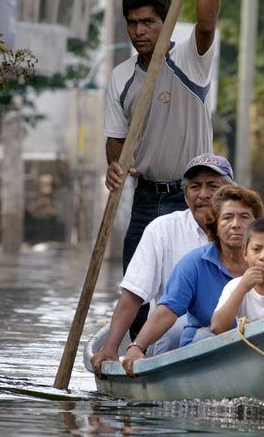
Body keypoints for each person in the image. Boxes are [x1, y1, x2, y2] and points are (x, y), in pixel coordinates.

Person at [103, 0, 220, 337]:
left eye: (149, 22)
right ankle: (136, 354)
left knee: (196, 292)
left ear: (166, 22)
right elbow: (116, 144)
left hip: (198, 197)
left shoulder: (191, 60)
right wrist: (114, 168)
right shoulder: (120, 77)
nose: (139, 31)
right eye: (132, 23)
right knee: (135, 295)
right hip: (148, 197)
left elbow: (205, 25)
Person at [121, 186, 264, 377]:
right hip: (214, 350)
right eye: (227, 217)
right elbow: (167, 312)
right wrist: (136, 347)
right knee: (200, 335)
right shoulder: (194, 263)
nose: (235, 224)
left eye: (244, 217)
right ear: (216, 225)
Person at [89, 153, 234, 376]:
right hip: (171, 331)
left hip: (232, 332)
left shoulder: (246, 232)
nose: (203, 195)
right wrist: (110, 348)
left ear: (230, 193)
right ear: (185, 195)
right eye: (195, 186)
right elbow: (133, 295)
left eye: (212, 186)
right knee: (177, 329)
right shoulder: (162, 230)